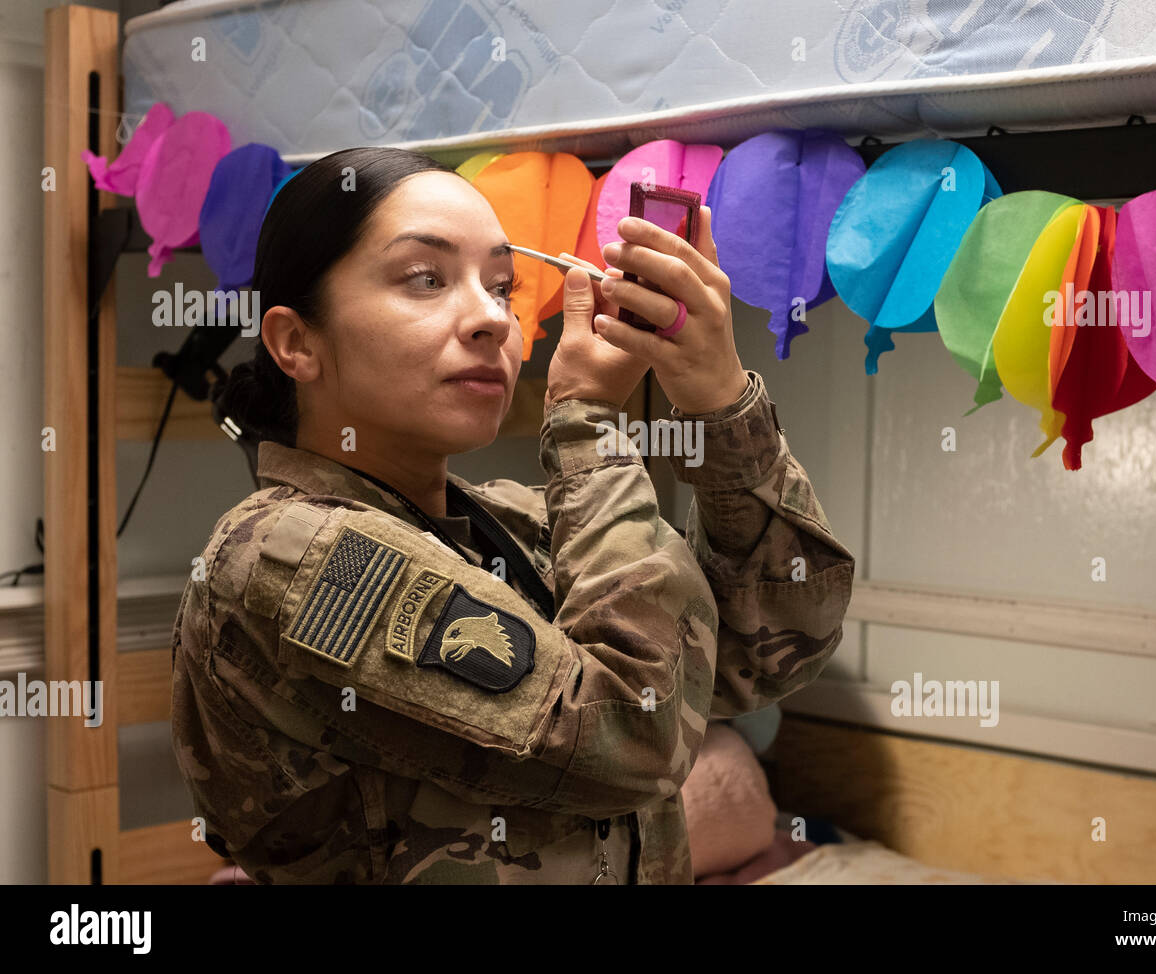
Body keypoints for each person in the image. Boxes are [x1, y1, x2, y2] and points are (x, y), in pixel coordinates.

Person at [171, 146, 856, 884]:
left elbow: (775, 645)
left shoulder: (514, 524)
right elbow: (635, 735)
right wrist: (587, 420)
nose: (492, 320)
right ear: (296, 342)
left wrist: (720, 400)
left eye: (503, 286)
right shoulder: (289, 554)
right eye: (426, 279)